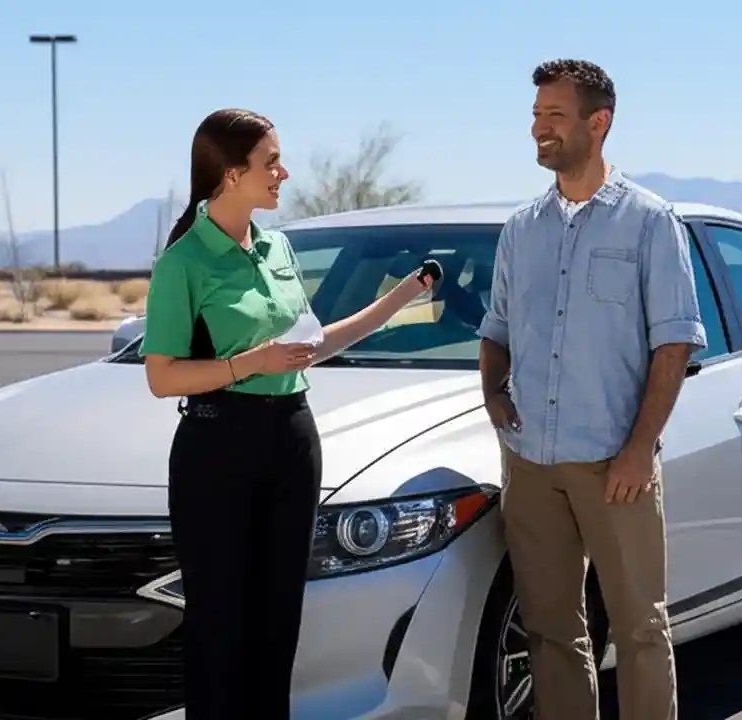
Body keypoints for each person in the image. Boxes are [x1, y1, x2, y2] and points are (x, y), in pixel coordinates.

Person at [139, 108, 434, 719]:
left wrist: (400, 298)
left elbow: (312, 345)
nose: (284, 172)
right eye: (270, 162)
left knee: (279, 623)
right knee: (220, 625)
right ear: (228, 174)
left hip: (292, 441)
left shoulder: (276, 247)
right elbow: (162, 376)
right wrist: (252, 361)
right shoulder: (184, 263)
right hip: (218, 449)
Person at [477, 60, 706, 720]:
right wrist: (495, 397)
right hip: (531, 465)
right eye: (534, 116)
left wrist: (640, 450)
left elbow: (675, 343)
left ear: (597, 123)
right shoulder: (522, 229)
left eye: (554, 116)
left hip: (615, 465)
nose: (538, 130)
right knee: (551, 632)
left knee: (639, 630)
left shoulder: (649, 222)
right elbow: (496, 329)